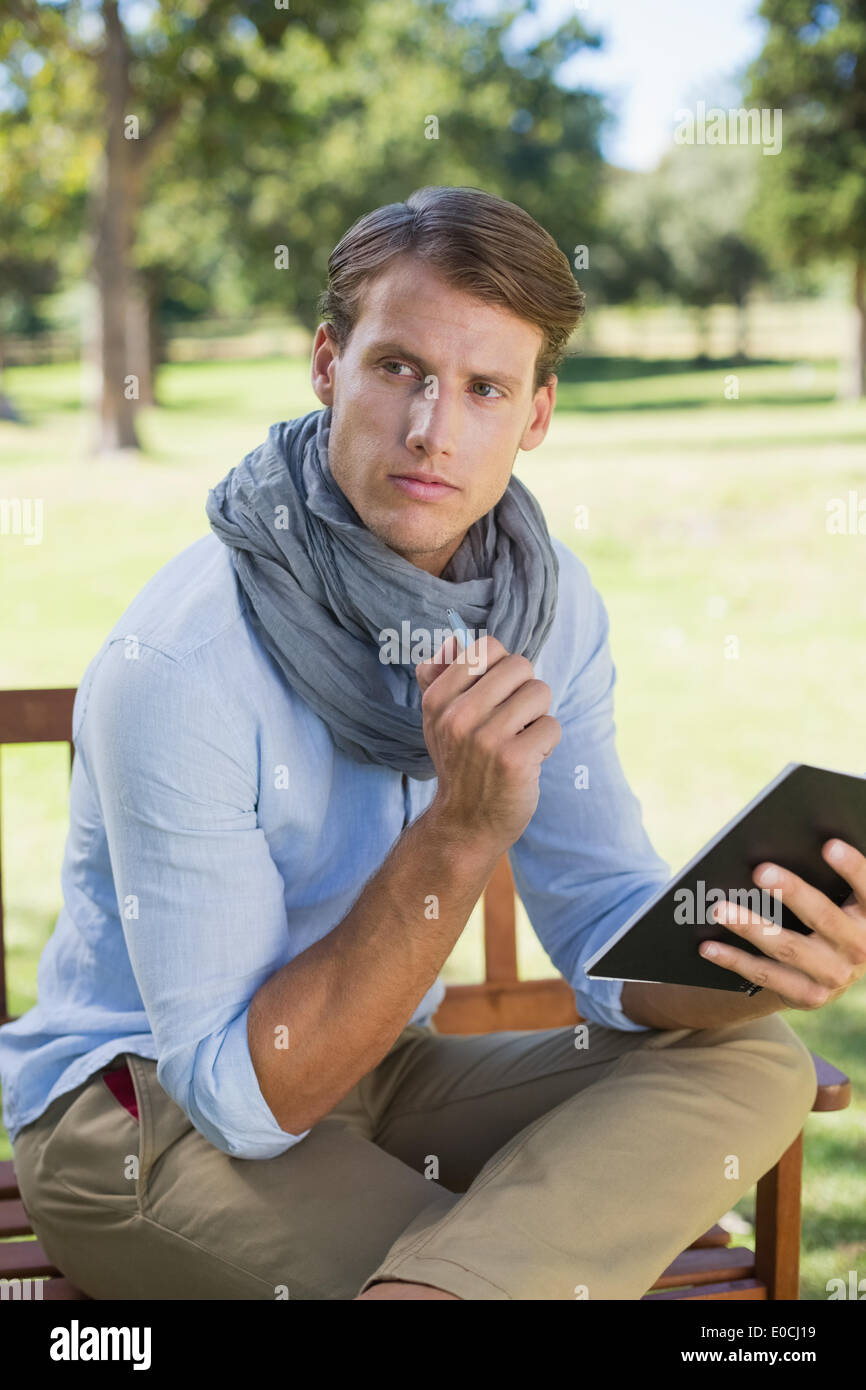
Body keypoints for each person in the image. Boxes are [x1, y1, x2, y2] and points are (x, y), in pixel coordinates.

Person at [2, 185, 857, 1302]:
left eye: (483, 388)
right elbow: (239, 1098)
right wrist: (458, 832)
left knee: (751, 1059)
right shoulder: (179, 665)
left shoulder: (544, 608)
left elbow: (603, 928)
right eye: (398, 367)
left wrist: (741, 960)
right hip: (148, 1119)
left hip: (379, 1067)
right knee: (510, 1271)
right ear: (327, 364)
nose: (430, 430)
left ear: (535, 414)